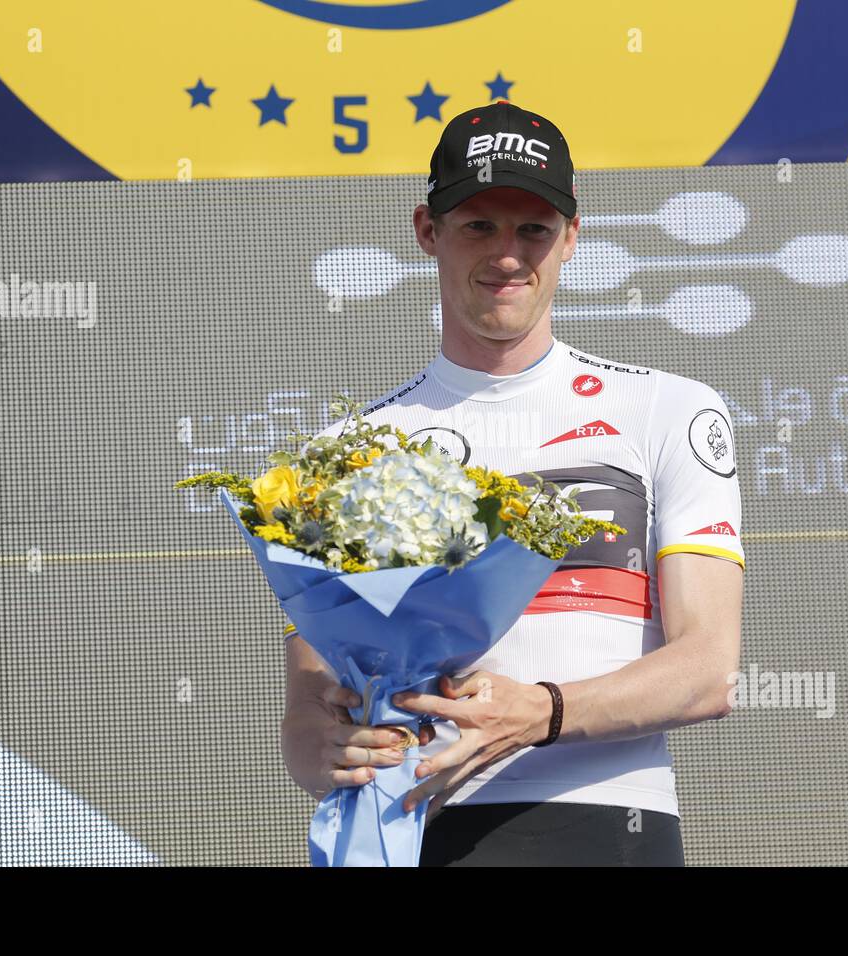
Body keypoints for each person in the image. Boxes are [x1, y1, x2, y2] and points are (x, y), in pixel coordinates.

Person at [281, 101, 745, 866]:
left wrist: (540, 712)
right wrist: (326, 747)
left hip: (608, 827)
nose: (507, 255)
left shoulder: (668, 408)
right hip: (407, 827)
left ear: (571, 236)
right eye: (479, 226)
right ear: (427, 231)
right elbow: (305, 719)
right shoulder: (345, 453)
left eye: (532, 228)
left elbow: (709, 672)